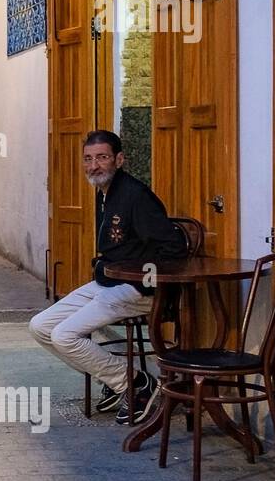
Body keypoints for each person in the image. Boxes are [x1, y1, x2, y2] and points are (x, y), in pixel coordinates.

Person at [29, 130, 188, 425]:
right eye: (88, 159)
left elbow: (174, 247)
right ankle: (118, 381)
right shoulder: (105, 193)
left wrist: (145, 281)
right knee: (40, 326)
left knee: (65, 336)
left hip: (137, 290)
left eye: (102, 158)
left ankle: (136, 384)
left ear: (119, 159)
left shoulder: (136, 196)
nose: (94, 165)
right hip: (108, 282)